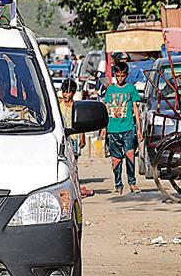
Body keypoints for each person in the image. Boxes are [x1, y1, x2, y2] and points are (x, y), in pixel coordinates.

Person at [102, 61, 142, 195]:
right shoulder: (110, 90)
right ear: (115, 74)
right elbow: (107, 108)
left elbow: (136, 108)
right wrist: (103, 127)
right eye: (118, 75)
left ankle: (132, 183)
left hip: (128, 128)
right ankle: (118, 183)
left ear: (127, 75)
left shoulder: (131, 89)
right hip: (113, 129)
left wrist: (139, 128)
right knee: (116, 158)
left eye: (123, 75)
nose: (120, 78)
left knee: (130, 156)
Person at [59, 79, 94, 197]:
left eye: (68, 92)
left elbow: (80, 123)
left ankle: (75, 187)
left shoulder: (76, 106)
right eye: (64, 92)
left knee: (73, 164)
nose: (65, 95)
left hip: (74, 138)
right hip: (62, 138)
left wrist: (82, 137)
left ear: (73, 93)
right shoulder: (59, 105)